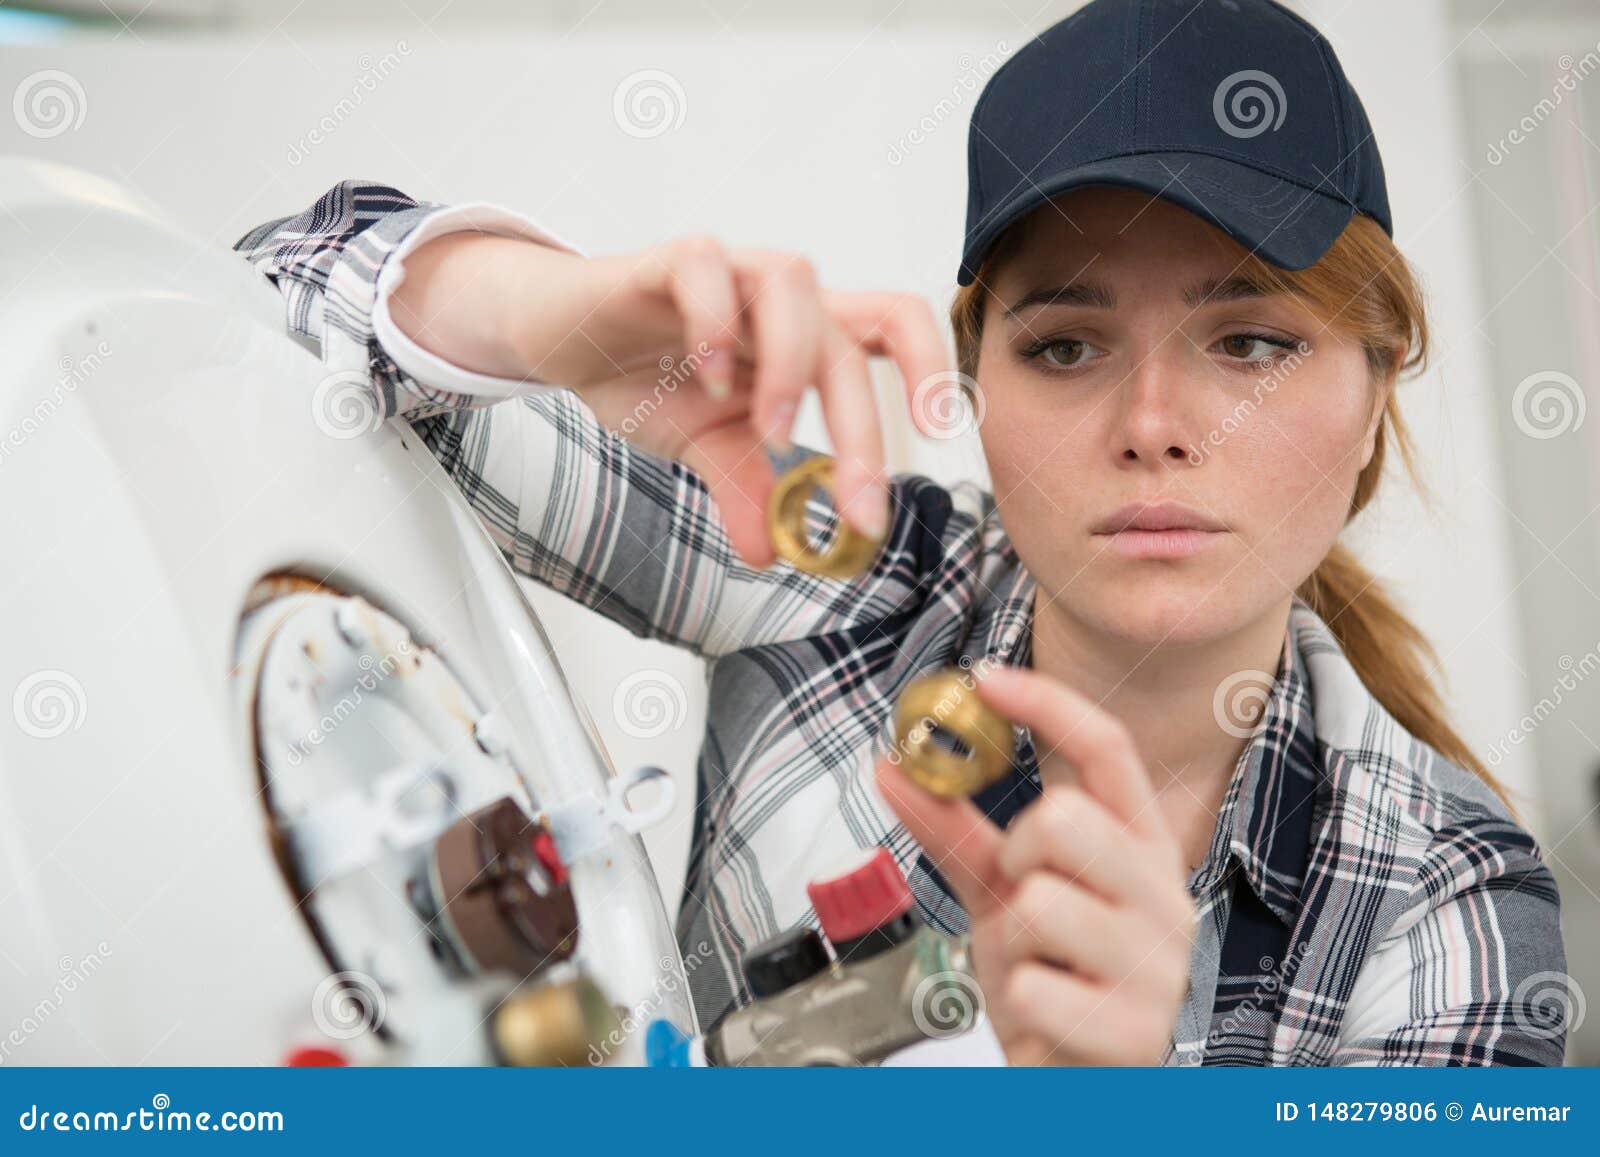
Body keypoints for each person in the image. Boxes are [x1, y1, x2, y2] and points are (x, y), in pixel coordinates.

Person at [234, 0, 1566, 1064]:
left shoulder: (1448, 903)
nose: (1154, 422)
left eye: (1254, 341)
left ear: (1380, 379)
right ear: (977, 384)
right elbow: (259, 311)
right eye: (1066, 344)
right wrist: (552, 322)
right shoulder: (847, 570)